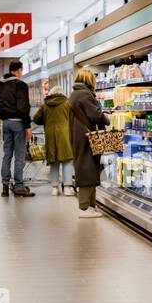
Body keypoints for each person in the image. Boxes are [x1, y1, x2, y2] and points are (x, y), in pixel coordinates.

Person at [67, 68, 109, 218]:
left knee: (89, 168)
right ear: (89, 80)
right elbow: (95, 115)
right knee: (87, 169)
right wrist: (106, 118)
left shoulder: (75, 94)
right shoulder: (84, 94)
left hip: (79, 135)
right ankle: (84, 207)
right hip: (86, 137)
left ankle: (91, 205)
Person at [0, 60, 34, 197]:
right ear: (19, 70)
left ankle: (5, 186)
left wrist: (4, 116)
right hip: (18, 123)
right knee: (19, 156)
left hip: (6, 123)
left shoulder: (0, 85)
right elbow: (23, 107)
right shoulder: (20, 85)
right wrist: (28, 126)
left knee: (7, 154)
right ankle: (19, 186)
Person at [33, 84, 74, 195]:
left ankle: (54, 189)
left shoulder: (45, 105)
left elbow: (36, 119)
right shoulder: (67, 103)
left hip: (50, 134)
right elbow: (72, 119)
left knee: (53, 161)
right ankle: (67, 188)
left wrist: (46, 121)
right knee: (66, 160)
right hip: (64, 135)